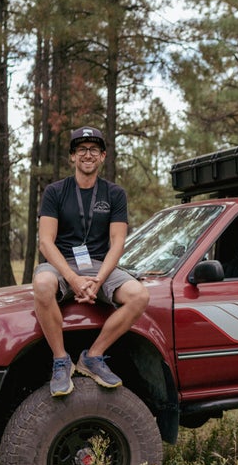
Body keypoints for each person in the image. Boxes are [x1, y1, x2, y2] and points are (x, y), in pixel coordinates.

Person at [33, 126, 150, 397]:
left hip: (99, 265)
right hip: (61, 263)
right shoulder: (55, 192)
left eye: (94, 150)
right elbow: (46, 243)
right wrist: (73, 280)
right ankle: (61, 360)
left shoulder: (115, 194)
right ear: (73, 157)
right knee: (42, 284)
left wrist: (98, 280)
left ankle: (93, 357)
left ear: (103, 156)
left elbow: (117, 242)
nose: (88, 154)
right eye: (82, 149)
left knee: (139, 295)